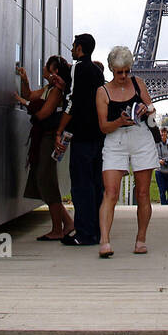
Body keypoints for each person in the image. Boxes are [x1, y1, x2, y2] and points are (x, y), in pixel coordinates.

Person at [96, 45, 158, 257]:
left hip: (141, 138)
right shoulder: (102, 92)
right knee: (110, 192)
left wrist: (145, 108)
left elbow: (152, 111)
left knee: (142, 193)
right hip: (115, 140)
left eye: (127, 71)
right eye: (119, 72)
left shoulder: (138, 83)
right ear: (111, 69)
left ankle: (141, 239)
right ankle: (104, 241)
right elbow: (103, 126)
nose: (123, 76)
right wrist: (118, 122)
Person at [54, 33, 105, 246]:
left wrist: (59, 130)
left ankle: (83, 233)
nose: (72, 49)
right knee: (95, 186)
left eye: (74, 46)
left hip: (82, 135)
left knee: (81, 186)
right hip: (99, 136)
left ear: (80, 48)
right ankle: (97, 230)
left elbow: (72, 102)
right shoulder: (97, 72)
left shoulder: (78, 68)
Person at [16, 56, 75, 240]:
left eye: (46, 67)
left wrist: (24, 103)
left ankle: (58, 228)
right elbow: (30, 95)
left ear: (54, 72)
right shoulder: (49, 89)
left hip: (50, 137)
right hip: (44, 137)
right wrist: (25, 81)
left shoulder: (57, 91)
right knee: (44, 179)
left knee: (46, 178)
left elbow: (43, 113)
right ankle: (66, 223)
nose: (42, 68)